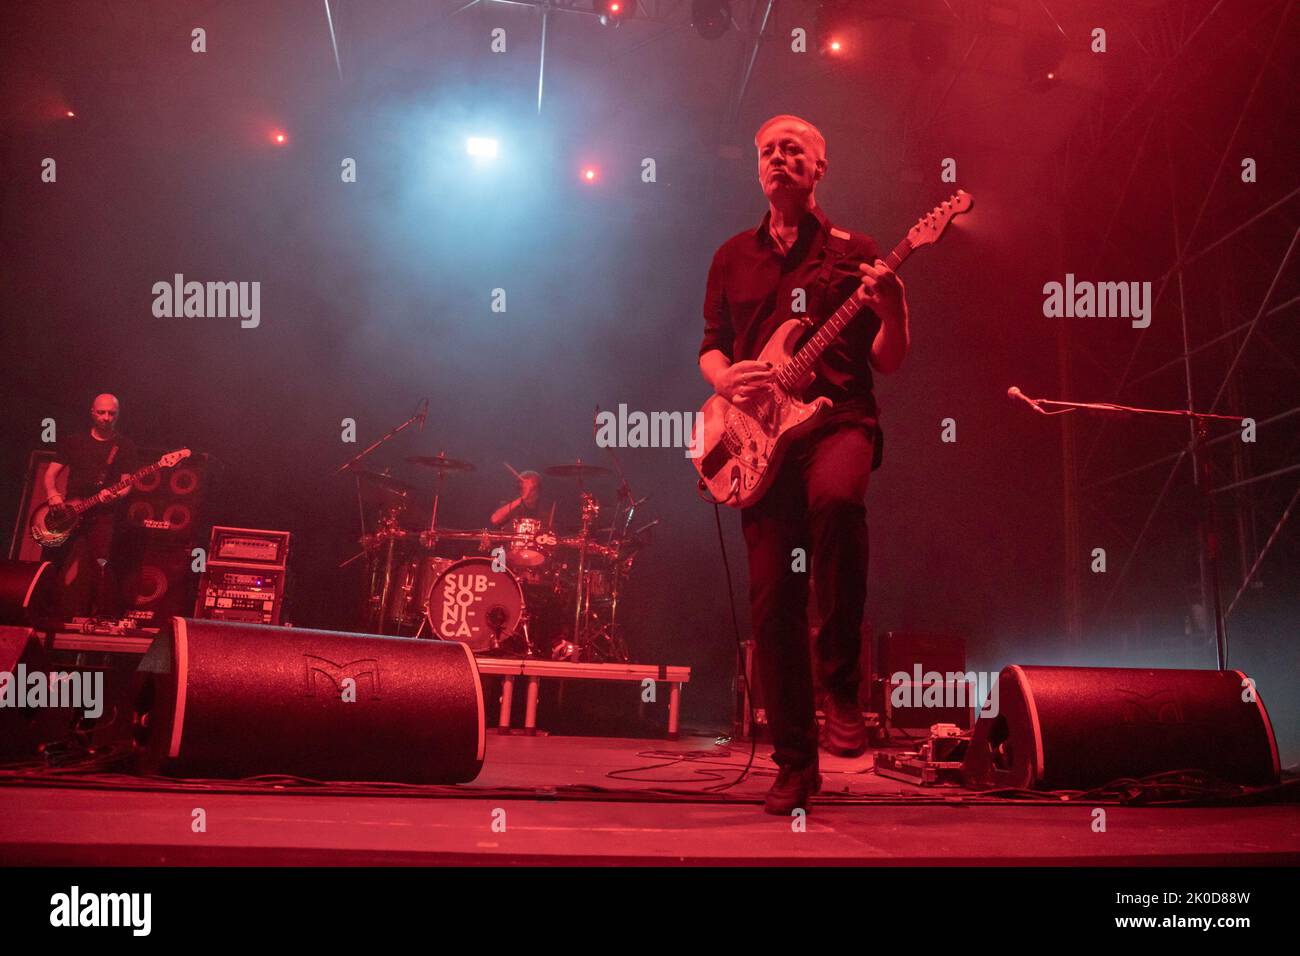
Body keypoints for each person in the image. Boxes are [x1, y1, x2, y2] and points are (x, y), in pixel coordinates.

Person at [698, 115, 910, 814]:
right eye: (767, 151)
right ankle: (795, 764)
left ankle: (842, 683)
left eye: (793, 150)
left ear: (820, 169)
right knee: (771, 602)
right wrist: (726, 381)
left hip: (838, 418)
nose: (777, 158)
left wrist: (895, 309)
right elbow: (711, 346)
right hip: (758, 438)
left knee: (839, 502)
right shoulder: (732, 255)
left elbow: (889, 358)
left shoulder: (857, 252)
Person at [42, 393, 140, 621]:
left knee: (101, 563)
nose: (106, 417)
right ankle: (44, 611)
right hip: (69, 510)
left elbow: (127, 485)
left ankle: (103, 617)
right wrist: (53, 495)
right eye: (102, 412)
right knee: (52, 562)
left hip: (102, 513)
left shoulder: (124, 446)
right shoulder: (73, 441)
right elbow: (50, 475)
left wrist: (113, 496)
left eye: (112, 414)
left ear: (117, 415)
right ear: (92, 413)